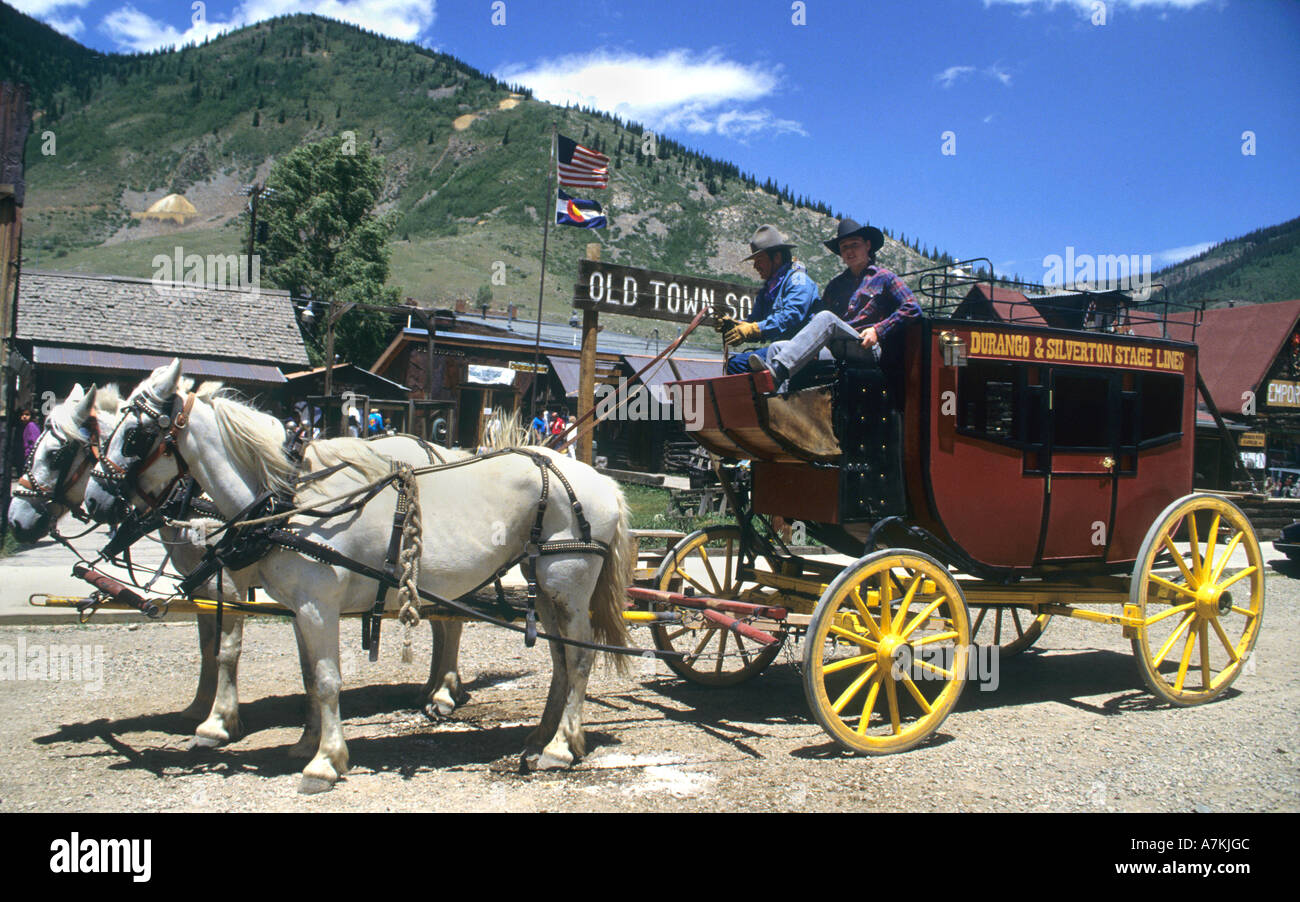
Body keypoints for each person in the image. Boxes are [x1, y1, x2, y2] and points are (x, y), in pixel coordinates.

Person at [750, 217, 921, 397]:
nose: (849, 251)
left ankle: (776, 373)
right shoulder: (835, 285)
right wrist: (809, 343)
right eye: (844, 247)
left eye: (854, 244)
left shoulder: (884, 278)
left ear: (867, 246)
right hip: (836, 349)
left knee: (826, 318)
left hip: (866, 347)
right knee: (777, 347)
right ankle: (777, 409)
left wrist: (877, 331)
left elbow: (912, 307)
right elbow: (817, 320)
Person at [719, 225, 819, 374]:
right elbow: (754, 321)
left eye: (759, 259)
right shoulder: (767, 291)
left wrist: (753, 329)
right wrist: (735, 326)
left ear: (777, 257)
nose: (755, 266)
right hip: (781, 350)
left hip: (802, 350)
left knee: (735, 365)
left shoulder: (798, 280)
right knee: (734, 364)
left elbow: (790, 316)